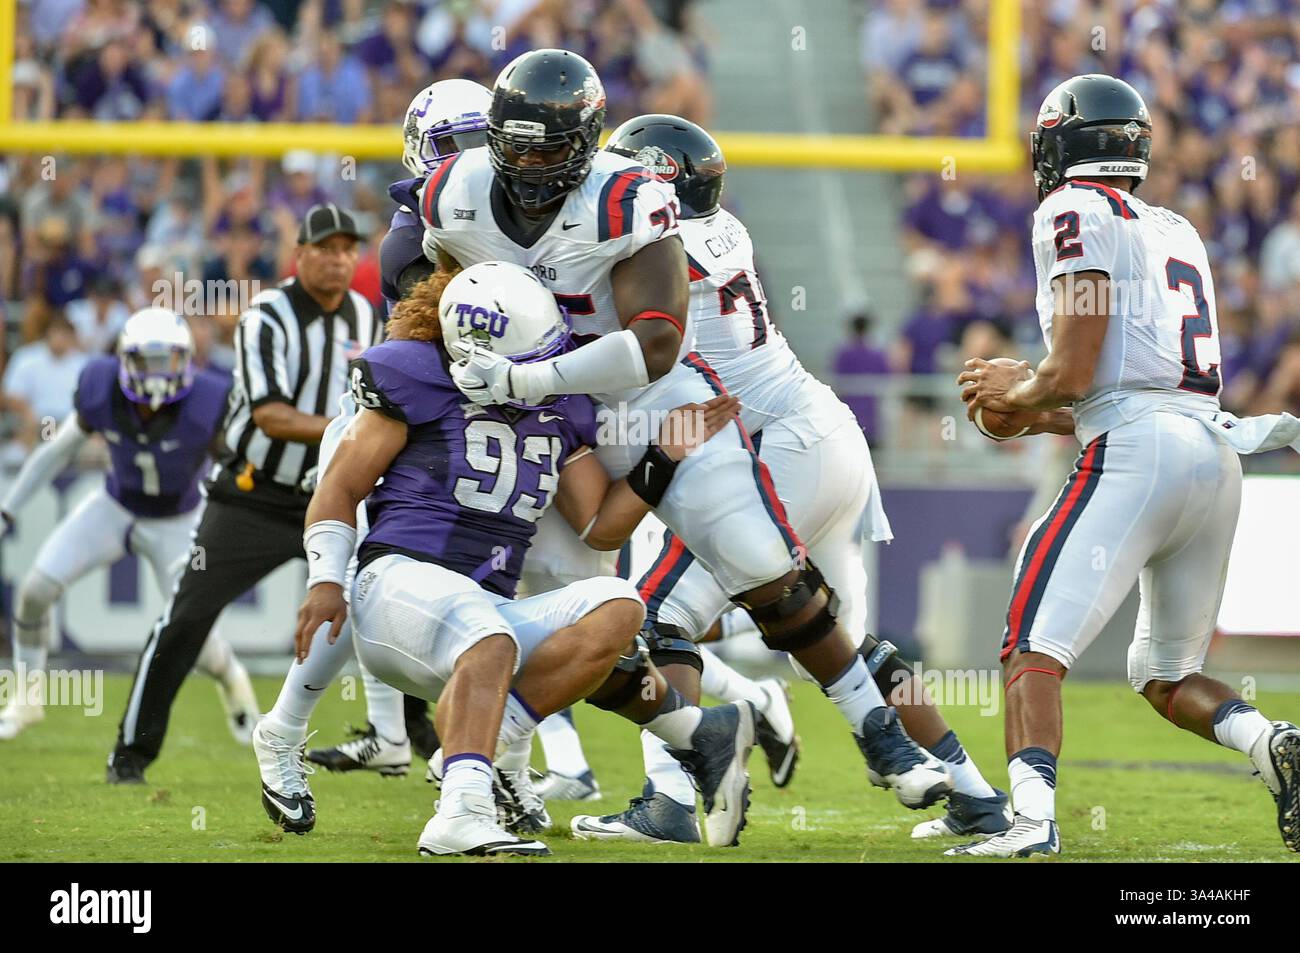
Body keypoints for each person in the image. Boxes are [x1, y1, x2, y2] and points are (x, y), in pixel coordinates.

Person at [423, 49, 951, 825]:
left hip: (677, 409)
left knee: (758, 588)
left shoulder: (630, 204)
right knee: (604, 609)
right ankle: (558, 759)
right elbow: (439, 286)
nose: (532, 165)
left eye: (551, 148)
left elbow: (655, 343)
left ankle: (873, 749)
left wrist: (521, 381)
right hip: (613, 420)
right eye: (520, 145)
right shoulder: (455, 194)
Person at [565, 114, 1006, 844]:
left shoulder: (656, 248)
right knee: (839, 638)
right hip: (826, 435)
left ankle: (670, 799)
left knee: (656, 616)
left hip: (771, 448)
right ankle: (974, 790)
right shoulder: (723, 229)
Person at [268, 261, 754, 855]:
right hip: (397, 587)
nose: (547, 368)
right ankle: (460, 815)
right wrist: (325, 579)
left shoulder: (559, 409)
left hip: (484, 610)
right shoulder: (416, 378)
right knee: (487, 635)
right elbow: (339, 489)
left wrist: (664, 455)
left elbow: (600, 527)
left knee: (618, 605)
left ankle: (490, 742)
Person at [955, 74, 1300, 857]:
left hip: (1141, 450)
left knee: (1030, 642)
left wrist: (1022, 385)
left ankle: (1031, 821)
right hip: (1211, 453)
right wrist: (1036, 409)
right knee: (1163, 670)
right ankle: (1271, 742)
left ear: (1060, 146)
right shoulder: (1176, 225)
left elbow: (1077, 371)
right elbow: (1129, 384)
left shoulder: (1070, 207)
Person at [106, 205, 381, 783]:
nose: (338, 260)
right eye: (325, 249)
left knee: (389, 607)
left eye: (347, 249)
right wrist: (351, 431)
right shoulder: (266, 316)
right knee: (186, 619)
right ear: (298, 254)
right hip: (253, 497)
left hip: (334, 494)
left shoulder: (363, 312)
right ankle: (130, 754)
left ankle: (411, 740)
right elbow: (272, 416)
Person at [290, 78, 494, 776]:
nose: (467, 159)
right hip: (431, 409)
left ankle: (399, 736)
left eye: (478, 141)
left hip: (475, 410)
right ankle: (302, 729)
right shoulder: (416, 236)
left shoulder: (488, 216)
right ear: (418, 150)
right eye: (451, 144)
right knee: (373, 565)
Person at [0, 309, 257, 741]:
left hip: (178, 520)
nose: (158, 374)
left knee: (192, 636)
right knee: (34, 592)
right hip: (114, 505)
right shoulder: (101, 387)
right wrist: (8, 508)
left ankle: (235, 682)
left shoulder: (210, 400)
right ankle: (25, 699)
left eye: (168, 360)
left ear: (187, 359)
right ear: (124, 360)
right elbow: (57, 451)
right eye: (147, 361)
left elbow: (236, 468)